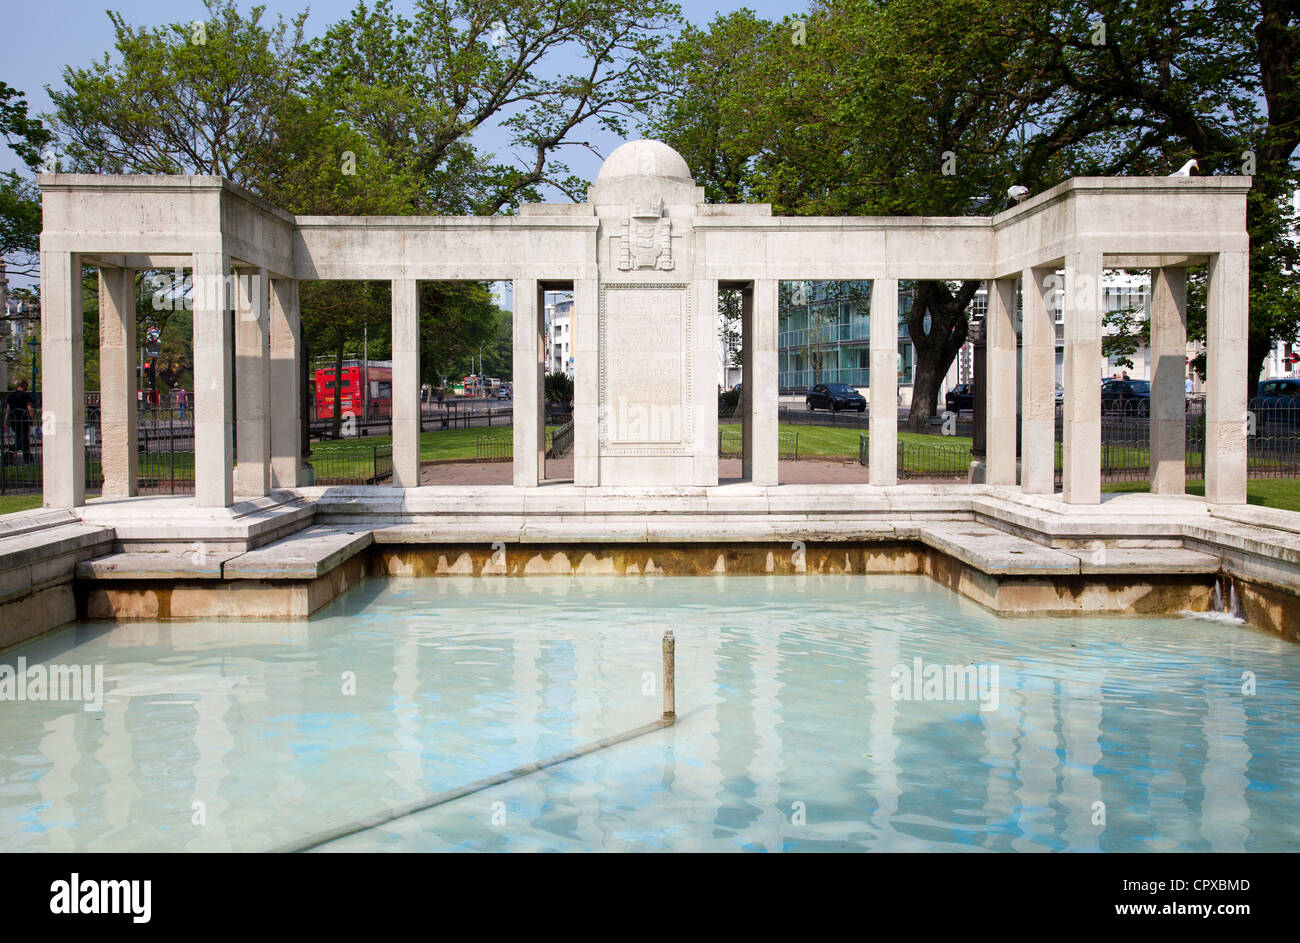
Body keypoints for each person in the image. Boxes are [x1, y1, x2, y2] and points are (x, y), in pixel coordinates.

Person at [4, 379, 36, 462]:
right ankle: (8, 454)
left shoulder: (10, 396)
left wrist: (5, 422)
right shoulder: (25, 395)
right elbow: (30, 408)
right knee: (22, 440)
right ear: (24, 385)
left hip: (14, 421)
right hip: (24, 420)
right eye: (26, 386)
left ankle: (27, 458)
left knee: (23, 439)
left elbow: (7, 410)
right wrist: (33, 420)